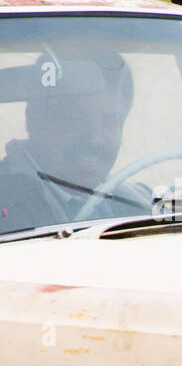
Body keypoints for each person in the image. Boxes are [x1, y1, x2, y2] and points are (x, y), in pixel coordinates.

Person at [0, 51, 146, 233]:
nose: (95, 139)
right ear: (34, 119)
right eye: (76, 118)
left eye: (109, 120)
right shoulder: (7, 202)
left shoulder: (137, 202)